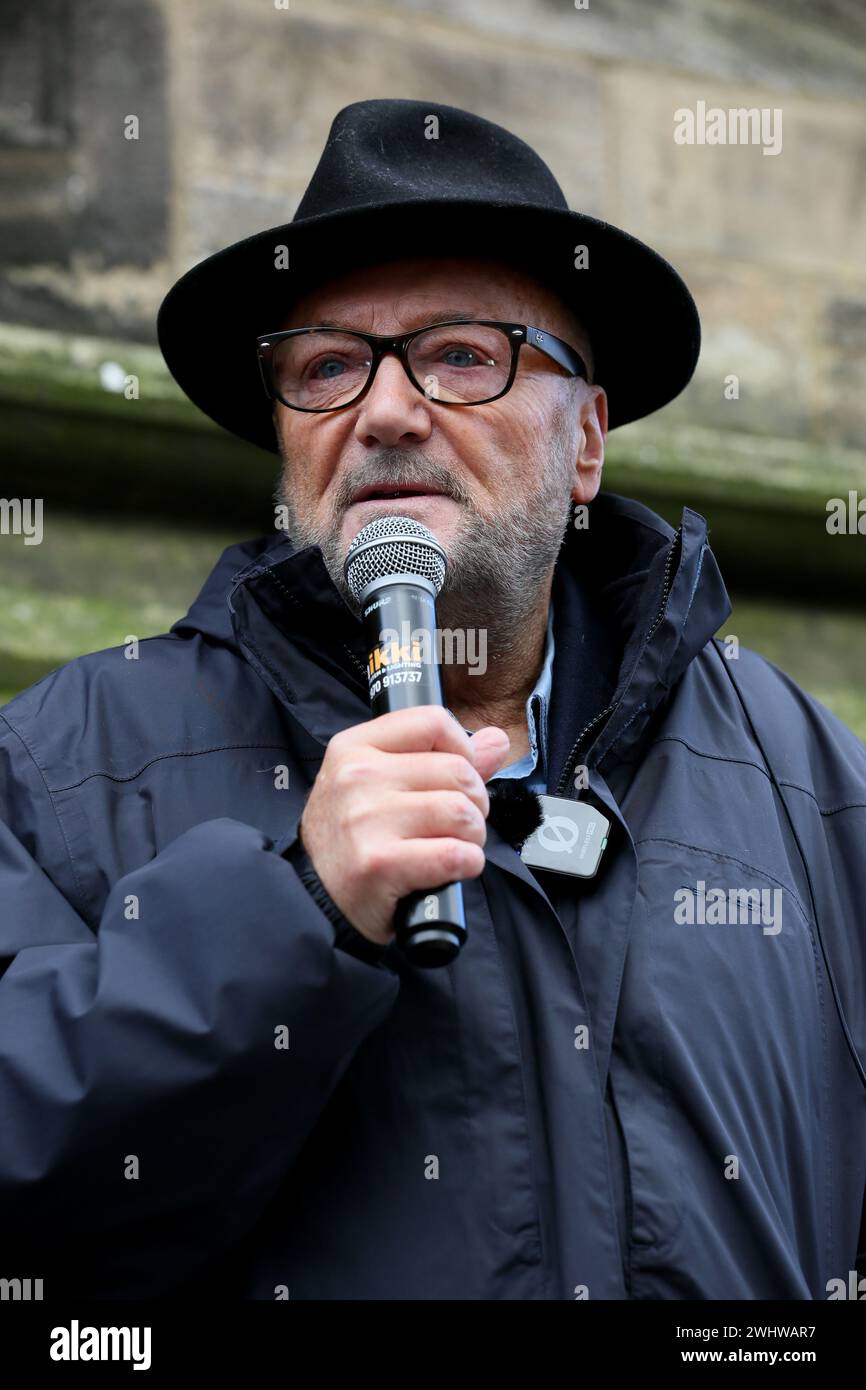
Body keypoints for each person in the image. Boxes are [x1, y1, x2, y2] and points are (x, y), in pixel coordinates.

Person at [1, 98, 864, 1301]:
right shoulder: (62, 765)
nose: (386, 410)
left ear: (585, 443)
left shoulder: (807, 785)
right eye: (326, 366)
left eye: (462, 353)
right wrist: (295, 912)